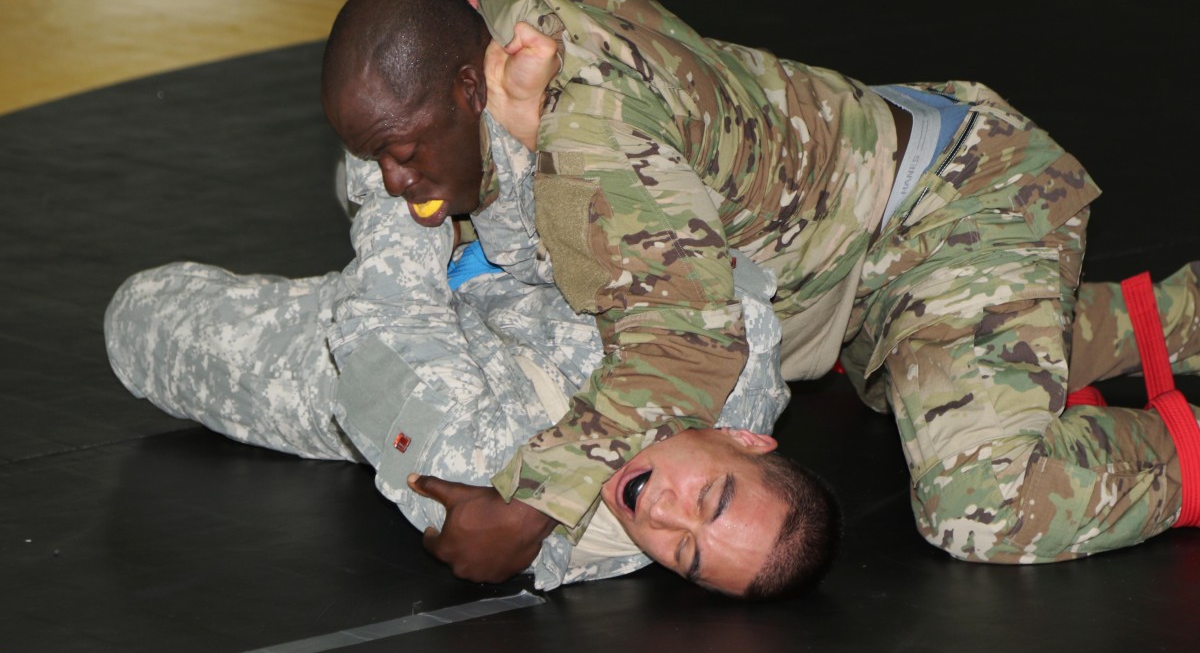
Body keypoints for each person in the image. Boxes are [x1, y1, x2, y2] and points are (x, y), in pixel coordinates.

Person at [319, 0, 1198, 577]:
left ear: (469, 88)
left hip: (951, 207)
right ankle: (1177, 318)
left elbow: (687, 349)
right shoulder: (506, 34)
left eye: (403, 151)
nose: (397, 180)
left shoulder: (592, 142)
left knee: (986, 508)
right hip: (857, 262)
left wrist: (530, 505)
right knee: (918, 379)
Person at [103, 114, 839, 596]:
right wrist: (470, 168)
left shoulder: (503, 509)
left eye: (686, 555)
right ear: (745, 437)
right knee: (424, 101)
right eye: (710, 499)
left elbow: (387, 325)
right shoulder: (729, 340)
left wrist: (410, 193)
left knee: (136, 318)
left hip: (355, 346)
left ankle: (388, 175)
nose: (668, 517)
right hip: (509, 262)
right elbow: (610, 214)